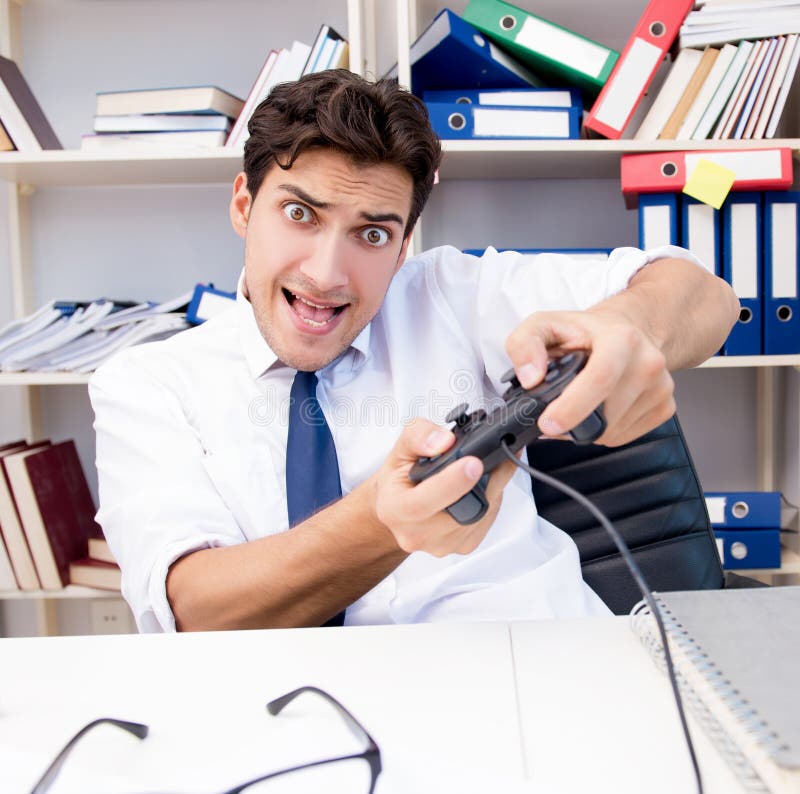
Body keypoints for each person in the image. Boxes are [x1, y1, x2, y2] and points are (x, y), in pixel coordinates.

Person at [89, 70, 739, 632]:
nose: (326, 273)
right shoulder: (146, 385)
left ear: (402, 250)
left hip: (541, 664)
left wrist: (629, 324)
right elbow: (197, 610)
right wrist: (381, 520)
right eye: (300, 214)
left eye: (371, 234)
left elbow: (704, 295)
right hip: (304, 722)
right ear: (243, 204)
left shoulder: (449, 292)